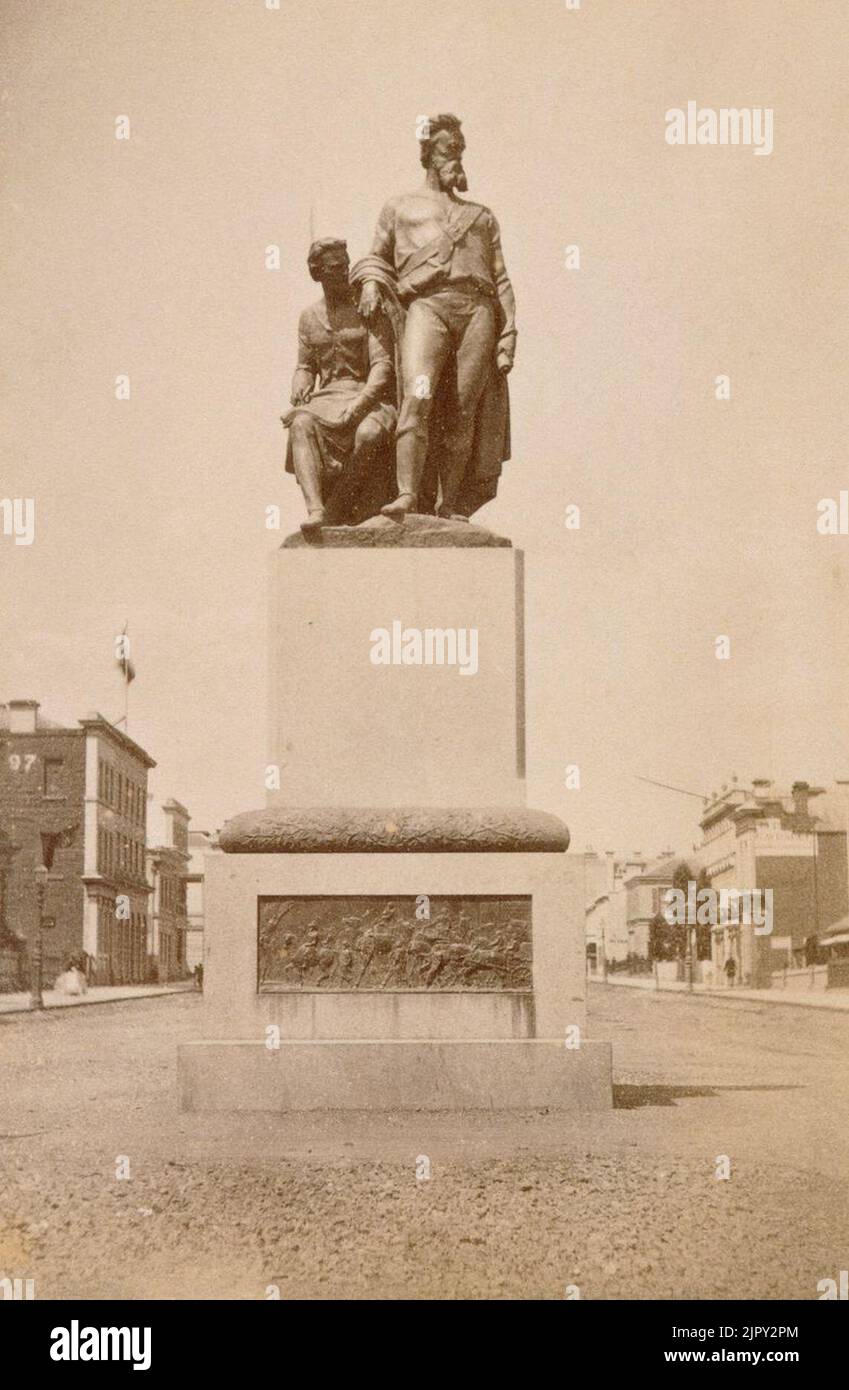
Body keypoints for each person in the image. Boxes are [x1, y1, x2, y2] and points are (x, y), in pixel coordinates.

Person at [356, 114, 515, 520]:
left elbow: (501, 278)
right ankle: (408, 494)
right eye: (448, 149)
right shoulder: (400, 206)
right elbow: (375, 256)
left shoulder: (482, 216)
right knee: (418, 395)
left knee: (464, 410)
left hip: (477, 311)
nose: (456, 157)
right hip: (427, 307)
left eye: (460, 150)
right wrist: (372, 283)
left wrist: (509, 330)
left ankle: (450, 504)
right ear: (428, 154)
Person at [282, 238, 397, 533]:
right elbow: (306, 366)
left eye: (345, 266)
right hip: (328, 398)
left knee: (370, 433)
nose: (343, 273)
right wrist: (300, 382)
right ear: (316, 273)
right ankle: (316, 510)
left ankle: (336, 509)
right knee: (300, 423)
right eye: (334, 268)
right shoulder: (308, 317)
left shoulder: (367, 305)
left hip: (368, 395)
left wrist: (359, 404)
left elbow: (383, 366)